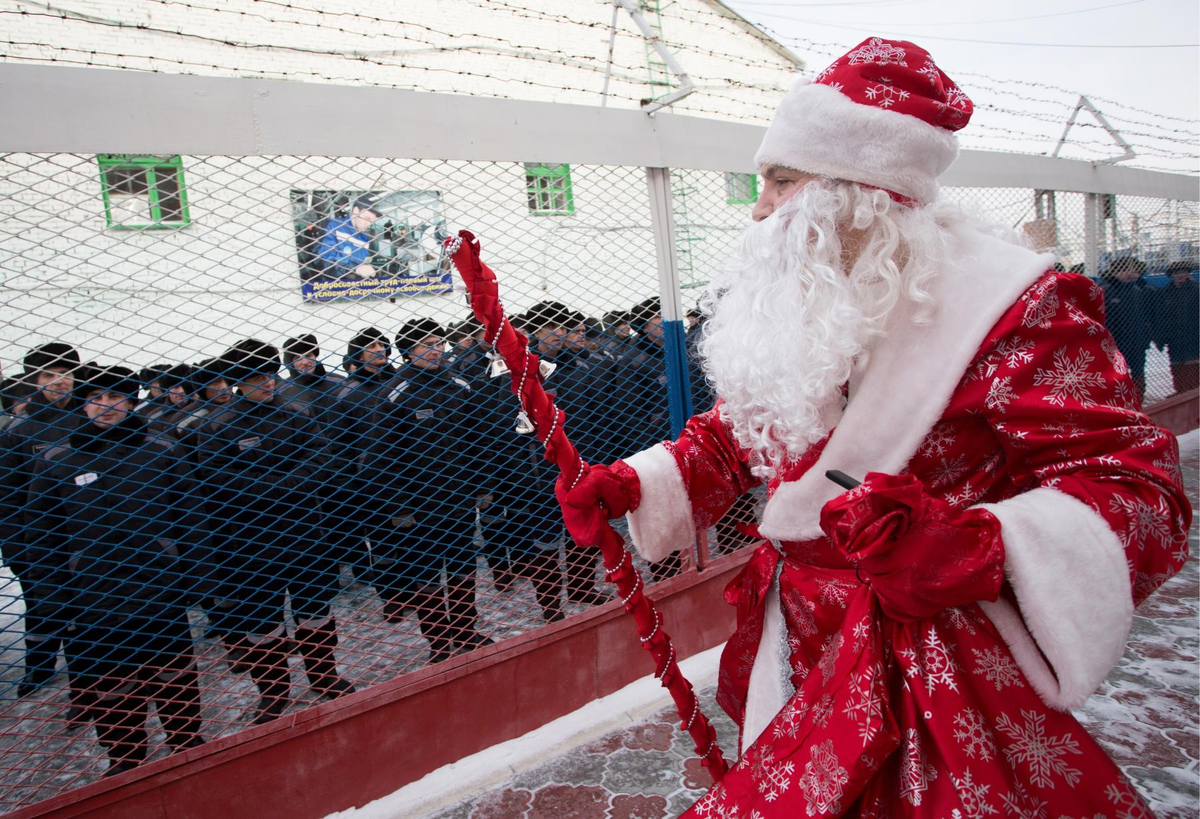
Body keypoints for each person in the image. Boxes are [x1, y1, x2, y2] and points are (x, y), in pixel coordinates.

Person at [557, 38, 1189, 817]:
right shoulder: (823, 294)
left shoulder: (1019, 309)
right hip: (800, 644)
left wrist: (978, 546)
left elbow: (1140, 488)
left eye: (780, 181)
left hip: (936, 663)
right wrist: (643, 480)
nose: (758, 209)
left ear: (855, 193)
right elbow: (749, 432)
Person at [25, 365, 208, 774]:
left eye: (115, 397)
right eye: (96, 398)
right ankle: (125, 759)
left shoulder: (162, 450)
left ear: (131, 401)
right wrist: (52, 597)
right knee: (111, 689)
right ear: (83, 402)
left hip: (161, 587)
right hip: (93, 596)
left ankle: (187, 742)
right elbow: (41, 537)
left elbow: (191, 518)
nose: (105, 406)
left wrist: (197, 577)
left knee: (174, 676)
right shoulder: (56, 460)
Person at [192, 340, 350, 723]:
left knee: (315, 610)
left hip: (305, 533)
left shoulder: (297, 411)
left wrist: (288, 484)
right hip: (251, 540)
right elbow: (217, 478)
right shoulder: (216, 426)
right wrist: (280, 487)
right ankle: (273, 691)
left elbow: (321, 455)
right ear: (237, 382)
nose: (266, 383)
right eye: (255, 378)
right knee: (262, 622)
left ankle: (324, 676)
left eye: (269, 375)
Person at [368, 319, 494, 661]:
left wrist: (482, 486)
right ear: (409, 351)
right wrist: (399, 506)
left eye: (439, 342)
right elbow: (382, 456)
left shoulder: (459, 385)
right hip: (419, 504)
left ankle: (466, 629)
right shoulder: (395, 393)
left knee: (463, 565)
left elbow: (478, 442)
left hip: (459, 497)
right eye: (426, 344)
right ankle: (438, 640)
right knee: (425, 572)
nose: (435, 349)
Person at [1, 342, 84, 695]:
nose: (60, 381)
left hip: (86, 535)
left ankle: (85, 682)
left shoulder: (90, 417)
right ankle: (39, 668)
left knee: (87, 613)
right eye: (50, 374)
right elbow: (7, 498)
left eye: (65, 373)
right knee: (43, 606)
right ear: (35, 380)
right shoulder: (17, 432)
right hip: (39, 542)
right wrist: (18, 550)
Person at [1099, 256, 1154, 401]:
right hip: (1115, 341)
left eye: (1131, 270)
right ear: (1115, 271)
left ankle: (1137, 398)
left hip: (1136, 340)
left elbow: (1146, 315)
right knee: (1115, 372)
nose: (1129, 273)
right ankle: (1116, 398)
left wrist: (1145, 336)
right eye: (1124, 270)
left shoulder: (1136, 289)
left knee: (1138, 371)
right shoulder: (1106, 290)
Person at [277, 334, 345, 433]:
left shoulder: (339, 382)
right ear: (291, 363)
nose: (305, 362)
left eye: (308, 355)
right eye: (298, 358)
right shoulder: (282, 391)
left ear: (315, 356)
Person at [1154, 261, 1199, 394]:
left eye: (1183, 272)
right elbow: (1160, 315)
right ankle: (1179, 390)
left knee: (1192, 365)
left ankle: (1192, 392)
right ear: (1172, 275)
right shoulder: (1164, 292)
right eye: (1177, 273)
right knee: (1176, 364)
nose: (1180, 275)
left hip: (1193, 334)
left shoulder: (1196, 290)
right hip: (1174, 335)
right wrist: (1161, 337)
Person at [316, 197, 382, 281]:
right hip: (330, 288)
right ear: (355, 211)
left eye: (371, 222)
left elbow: (363, 263)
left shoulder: (364, 239)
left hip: (355, 288)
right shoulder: (333, 226)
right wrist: (353, 268)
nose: (368, 224)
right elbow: (322, 261)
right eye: (366, 219)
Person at [135, 363, 193, 439]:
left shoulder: (202, 408)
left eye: (184, 386)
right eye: (175, 387)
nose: (181, 391)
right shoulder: (153, 417)